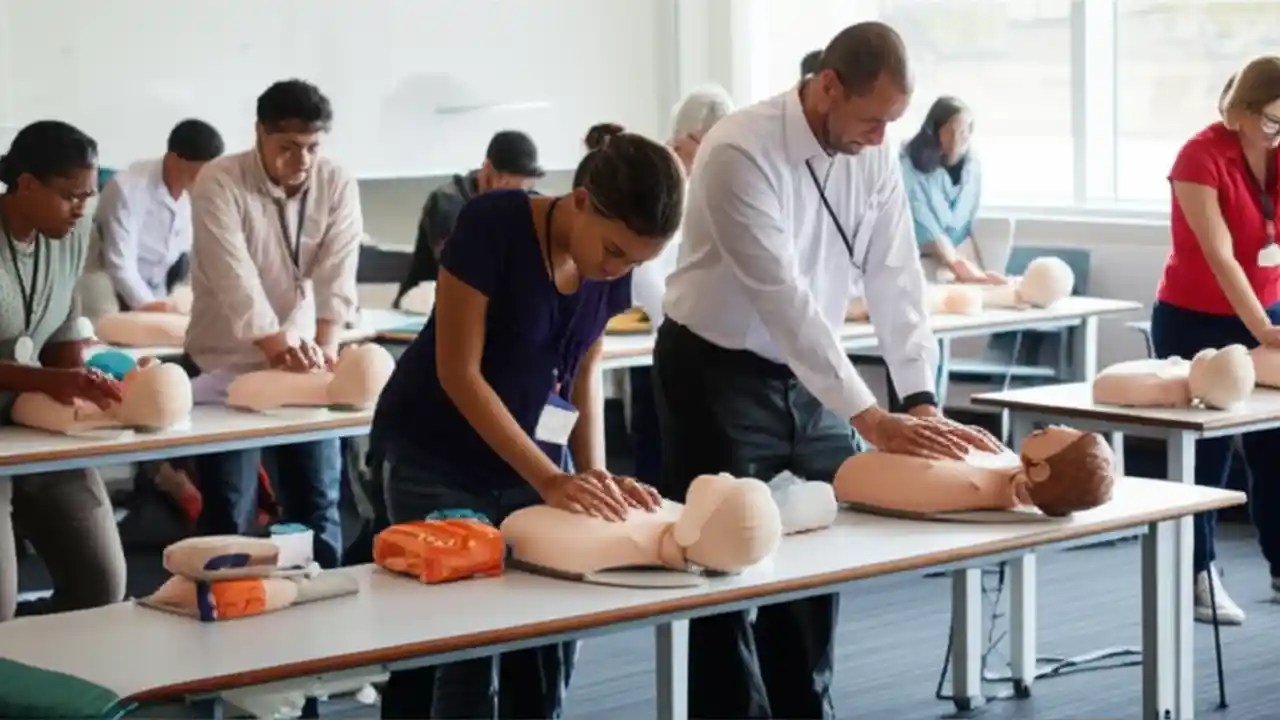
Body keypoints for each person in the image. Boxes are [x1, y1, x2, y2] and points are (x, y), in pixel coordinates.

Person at [654, 22, 1002, 719]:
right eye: (872, 119)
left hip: (810, 377)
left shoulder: (871, 152)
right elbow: (783, 299)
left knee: (814, 564)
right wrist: (869, 415)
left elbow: (895, 276)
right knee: (720, 568)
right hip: (715, 374)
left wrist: (920, 396)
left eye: (893, 123)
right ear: (827, 87)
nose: (881, 140)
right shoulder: (738, 149)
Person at [372, 131, 684, 719]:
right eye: (616, 252)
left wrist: (596, 476)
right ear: (584, 201)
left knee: (549, 642)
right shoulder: (493, 223)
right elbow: (458, 372)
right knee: (463, 653)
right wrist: (552, 480)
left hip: (535, 460)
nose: (616, 269)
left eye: (635, 262)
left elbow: (586, 368)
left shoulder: (612, 265)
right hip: (437, 457)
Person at [185, 79, 363, 570]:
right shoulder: (220, 181)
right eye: (287, 147)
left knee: (317, 500)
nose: (301, 160)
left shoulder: (336, 183)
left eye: (311, 147)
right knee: (230, 509)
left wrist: (325, 350)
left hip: (305, 366)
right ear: (259, 134)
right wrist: (278, 345)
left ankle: (324, 609)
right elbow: (233, 276)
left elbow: (337, 274)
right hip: (228, 364)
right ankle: (227, 623)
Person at [1152, 55, 1280, 626]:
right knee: (1204, 457)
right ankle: (1196, 574)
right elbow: (1220, 255)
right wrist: (1263, 331)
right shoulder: (1199, 155)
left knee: (1275, 447)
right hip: (1196, 318)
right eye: (1274, 121)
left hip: (1268, 306)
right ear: (1246, 110)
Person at [0, 121, 127, 622]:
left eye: (88, 197)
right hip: (21, 412)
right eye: (70, 196)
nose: (81, 209)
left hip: (34, 423)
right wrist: (50, 382)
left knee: (102, 585)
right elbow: (49, 374)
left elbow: (64, 336)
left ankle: (46, 686)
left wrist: (88, 385)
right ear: (26, 184)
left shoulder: (69, 238)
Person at [627, 88, 734, 486]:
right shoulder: (662, 178)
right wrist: (669, 318)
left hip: (702, 332)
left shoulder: (719, 179)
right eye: (708, 142)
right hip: (664, 329)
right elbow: (647, 264)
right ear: (685, 139)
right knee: (659, 450)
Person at [394, 130, 545, 307]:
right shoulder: (447, 202)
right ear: (487, 168)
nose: (512, 197)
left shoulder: (526, 203)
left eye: (522, 189)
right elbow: (462, 269)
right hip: (425, 308)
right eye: (506, 185)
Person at [92, 119, 225, 313]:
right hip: (112, 289)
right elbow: (120, 265)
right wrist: (154, 308)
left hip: (160, 287)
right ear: (172, 161)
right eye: (199, 173)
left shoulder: (201, 189)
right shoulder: (126, 189)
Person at [901, 96, 1002, 283]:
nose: (957, 139)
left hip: (959, 251)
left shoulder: (971, 167)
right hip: (924, 255)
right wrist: (957, 264)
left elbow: (967, 222)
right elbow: (925, 223)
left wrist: (981, 271)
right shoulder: (910, 168)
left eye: (964, 132)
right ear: (934, 131)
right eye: (950, 132)